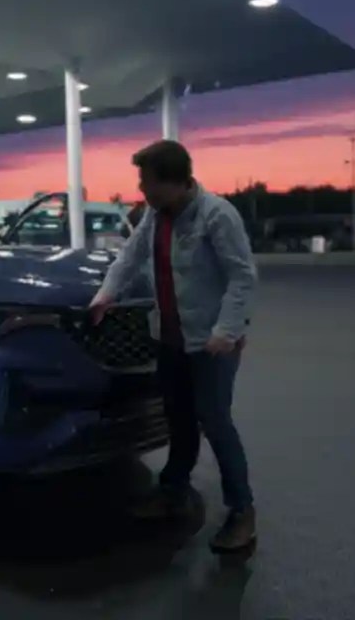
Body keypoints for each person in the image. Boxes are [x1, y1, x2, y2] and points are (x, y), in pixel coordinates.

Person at [89, 139, 258, 554]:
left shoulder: (218, 215)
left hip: (211, 344)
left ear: (174, 182)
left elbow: (242, 277)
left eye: (146, 181)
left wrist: (227, 329)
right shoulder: (155, 215)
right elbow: (129, 257)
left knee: (215, 423)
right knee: (178, 420)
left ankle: (242, 512)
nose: (141, 189)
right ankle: (172, 493)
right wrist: (105, 295)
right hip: (169, 339)